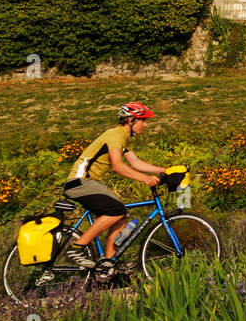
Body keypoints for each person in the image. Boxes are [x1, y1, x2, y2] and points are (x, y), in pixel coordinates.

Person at [62, 102, 168, 279]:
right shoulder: (115, 135)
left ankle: (108, 266)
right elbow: (118, 166)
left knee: (121, 217)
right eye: (143, 120)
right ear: (130, 120)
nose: (146, 124)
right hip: (79, 182)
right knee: (116, 210)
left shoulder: (123, 138)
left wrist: (164, 170)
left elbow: (135, 162)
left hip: (89, 182)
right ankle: (77, 248)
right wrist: (145, 178)